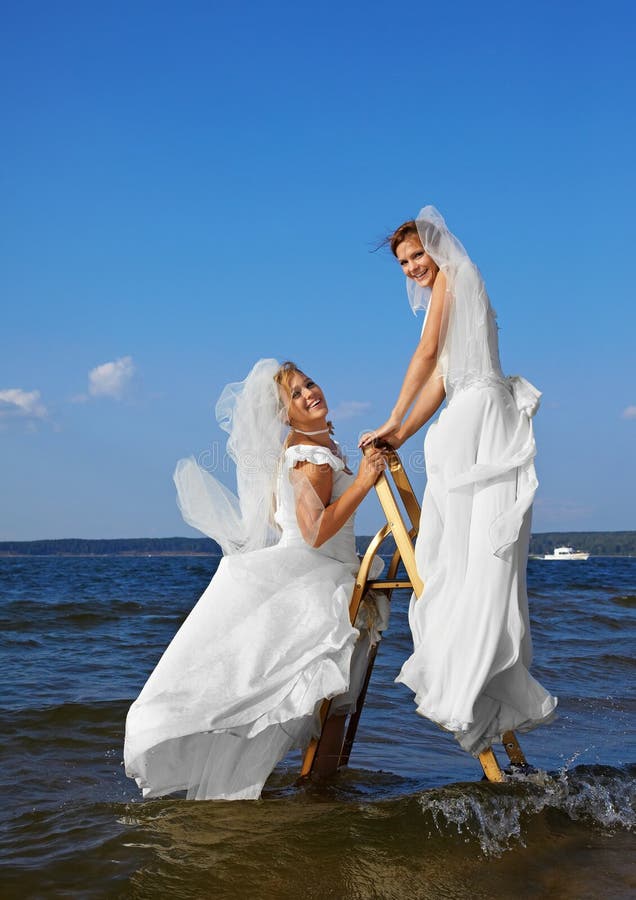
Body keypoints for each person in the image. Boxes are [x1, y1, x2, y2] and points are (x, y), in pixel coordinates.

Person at [124, 358, 388, 800]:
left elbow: (275, 513)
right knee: (297, 685)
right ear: (286, 415)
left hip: (322, 567)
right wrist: (362, 481)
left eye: (310, 384)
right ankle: (319, 794)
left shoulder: (313, 450)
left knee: (327, 689)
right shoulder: (311, 459)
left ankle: (320, 792)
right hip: (315, 574)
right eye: (297, 395)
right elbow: (315, 531)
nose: (310, 394)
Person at [361, 206, 557, 758]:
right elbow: (444, 379)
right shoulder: (455, 290)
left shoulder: (457, 277)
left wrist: (390, 417)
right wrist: (398, 431)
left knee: (477, 553)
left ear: (437, 248)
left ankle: (472, 669)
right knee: (466, 553)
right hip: (473, 412)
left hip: (479, 418)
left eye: (417, 254)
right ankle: (472, 669)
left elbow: (425, 360)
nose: (412, 268)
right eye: (403, 262)